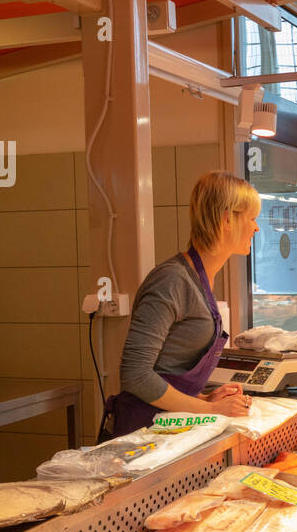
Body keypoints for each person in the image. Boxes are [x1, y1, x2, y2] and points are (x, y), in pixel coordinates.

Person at [100, 171, 260, 439]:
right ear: (227, 219)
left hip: (170, 429)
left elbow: (168, 369)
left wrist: (206, 398)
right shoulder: (172, 280)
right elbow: (135, 374)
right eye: (252, 218)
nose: (256, 228)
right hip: (143, 433)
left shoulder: (202, 278)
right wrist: (211, 410)